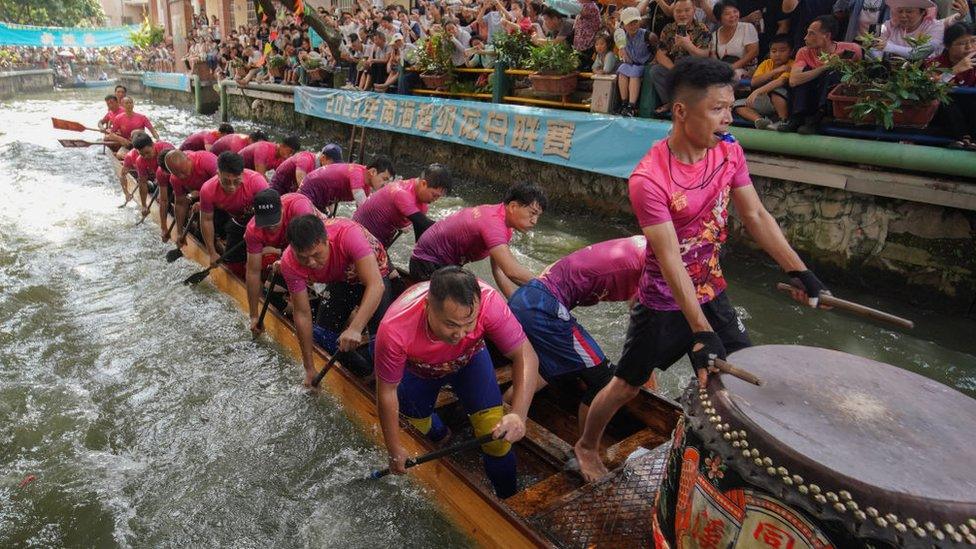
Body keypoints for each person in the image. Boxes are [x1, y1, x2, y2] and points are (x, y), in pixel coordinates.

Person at [573, 57, 830, 482]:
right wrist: (700, 331)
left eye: (730, 107)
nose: (728, 118)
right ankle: (585, 445)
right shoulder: (649, 179)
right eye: (717, 109)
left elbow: (757, 216)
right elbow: (670, 258)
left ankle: (729, 469)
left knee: (743, 375)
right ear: (681, 111)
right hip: (663, 302)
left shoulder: (728, 149)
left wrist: (801, 272)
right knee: (628, 384)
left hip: (711, 288)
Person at [374, 267, 538, 498]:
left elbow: (525, 354)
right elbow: (387, 392)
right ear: (427, 308)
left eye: (469, 323)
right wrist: (393, 449)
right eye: (450, 325)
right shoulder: (394, 329)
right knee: (415, 431)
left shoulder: (490, 301)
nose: (460, 334)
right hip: (420, 371)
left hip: (469, 363)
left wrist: (519, 414)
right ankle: (441, 433)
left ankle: (510, 498)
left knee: (499, 443)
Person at [507, 236, 645, 431]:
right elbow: (643, 321)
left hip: (528, 297)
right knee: (603, 378)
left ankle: (500, 412)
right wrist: (645, 371)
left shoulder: (642, 243)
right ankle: (584, 450)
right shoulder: (657, 263)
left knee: (548, 371)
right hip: (544, 307)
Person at [280, 214, 392, 384]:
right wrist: (309, 368)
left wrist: (355, 328)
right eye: (303, 258)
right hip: (341, 278)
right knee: (323, 336)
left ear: (327, 241)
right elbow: (302, 313)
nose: (310, 263)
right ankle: (366, 374)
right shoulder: (289, 262)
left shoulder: (348, 235)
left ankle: (385, 378)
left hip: (374, 272)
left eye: (316, 255)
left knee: (381, 343)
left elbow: (376, 285)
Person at [408, 183, 546, 294]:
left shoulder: (504, 225)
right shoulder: (494, 223)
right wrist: (548, 287)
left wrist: (513, 302)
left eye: (538, 216)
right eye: (532, 213)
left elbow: (499, 271)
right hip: (426, 264)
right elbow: (512, 270)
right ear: (513, 206)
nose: (534, 221)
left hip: (444, 265)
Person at [244, 189, 319, 336]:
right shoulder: (252, 230)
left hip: (315, 250)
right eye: (266, 222)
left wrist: (284, 259)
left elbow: (309, 247)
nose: (271, 227)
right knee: (268, 293)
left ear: (283, 208)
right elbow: (253, 271)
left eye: (274, 219)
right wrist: (253, 315)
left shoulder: (299, 207)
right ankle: (302, 312)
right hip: (289, 254)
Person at [779, 15, 862, 134]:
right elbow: (793, 80)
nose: (805, 38)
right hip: (811, 96)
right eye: (807, 33)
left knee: (833, 72)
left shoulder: (851, 49)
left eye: (811, 34)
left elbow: (860, 74)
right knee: (807, 72)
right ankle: (797, 117)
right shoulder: (804, 51)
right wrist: (823, 67)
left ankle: (819, 118)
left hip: (834, 99)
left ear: (827, 36)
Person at [198, 152, 270, 278]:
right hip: (236, 221)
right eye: (226, 181)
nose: (231, 187)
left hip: (258, 219)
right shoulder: (207, 189)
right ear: (218, 174)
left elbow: (270, 216)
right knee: (232, 261)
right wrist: (212, 252)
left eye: (236, 181)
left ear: (242, 174)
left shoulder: (257, 181)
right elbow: (206, 220)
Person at [352, 163, 452, 249]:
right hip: (356, 237)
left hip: (377, 244)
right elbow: (426, 224)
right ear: (423, 184)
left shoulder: (423, 206)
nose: (435, 200)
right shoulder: (401, 192)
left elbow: (421, 239)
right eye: (434, 195)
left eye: (439, 197)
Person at [650, 0, 713, 113]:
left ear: (694, 10)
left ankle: (689, 105)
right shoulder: (668, 29)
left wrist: (688, 45)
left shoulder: (702, 29)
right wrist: (675, 70)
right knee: (655, 71)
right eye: (678, 11)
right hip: (675, 67)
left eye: (687, 10)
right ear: (673, 13)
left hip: (695, 68)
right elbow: (660, 54)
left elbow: (705, 55)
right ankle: (672, 102)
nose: (683, 14)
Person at [159, 150, 219, 246]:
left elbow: (224, 185)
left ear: (188, 160)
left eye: (183, 171)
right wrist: (179, 232)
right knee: (201, 229)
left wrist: (203, 201)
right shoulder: (174, 179)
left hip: (222, 193)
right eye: (177, 174)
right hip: (201, 195)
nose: (182, 176)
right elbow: (180, 204)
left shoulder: (206, 161)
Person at [931, 22, 976, 149]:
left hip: (971, 115)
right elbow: (928, 90)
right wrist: (954, 70)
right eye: (962, 43)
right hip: (946, 120)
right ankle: (961, 138)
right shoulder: (935, 64)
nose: (969, 47)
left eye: (973, 41)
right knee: (946, 101)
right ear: (947, 46)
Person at [733, 33, 793, 128]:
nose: (777, 54)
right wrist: (776, 71)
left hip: (784, 100)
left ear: (791, 52)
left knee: (776, 91)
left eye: (782, 51)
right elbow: (754, 82)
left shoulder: (791, 64)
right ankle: (760, 120)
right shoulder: (766, 63)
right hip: (763, 99)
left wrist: (757, 91)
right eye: (774, 51)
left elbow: (780, 82)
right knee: (737, 105)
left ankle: (783, 121)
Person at [298, 156, 395, 214]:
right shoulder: (357, 173)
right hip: (308, 191)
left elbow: (361, 215)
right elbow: (365, 210)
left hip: (321, 200)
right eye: (384, 179)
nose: (385, 185)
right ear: (373, 171)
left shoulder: (366, 188)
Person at [873, 0, 963, 59]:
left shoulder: (935, 27)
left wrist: (889, 47)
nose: (903, 15)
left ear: (923, 12)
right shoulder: (889, 25)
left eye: (909, 11)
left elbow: (921, 53)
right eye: (900, 11)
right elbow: (874, 47)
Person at [614, 7, 656, 117]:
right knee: (622, 70)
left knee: (634, 74)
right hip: (631, 64)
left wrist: (654, 61)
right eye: (629, 23)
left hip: (644, 65)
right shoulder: (622, 37)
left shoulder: (648, 35)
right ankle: (624, 103)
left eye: (635, 22)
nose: (633, 26)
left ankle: (631, 106)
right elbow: (625, 57)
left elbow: (658, 51)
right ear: (623, 25)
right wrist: (622, 52)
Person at [710, 0, 760, 79]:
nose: (733, 15)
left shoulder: (747, 27)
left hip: (747, 71)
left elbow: (753, 52)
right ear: (719, 18)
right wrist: (720, 70)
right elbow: (713, 57)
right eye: (727, 14)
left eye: (735, 11)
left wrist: (731, 68)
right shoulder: (714, 35)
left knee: (734, 75)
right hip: (724, 70)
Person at [270, 143, 344, 194]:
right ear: (323, 158)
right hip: (276, 191)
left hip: (291, 193)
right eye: (333, 164)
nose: (334, 167)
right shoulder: (305, 159)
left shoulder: (323, 169)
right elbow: (303, 188)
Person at [131, 133, 175, 216]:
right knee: (160, 199)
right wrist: (144, 205)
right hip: (162, 180)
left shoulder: (166, 148)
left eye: (147, 152)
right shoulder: (140, 161)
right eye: (142, 154)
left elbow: (178, 168)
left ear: (153, 145)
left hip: (175, 175)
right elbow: (142, 183)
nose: (145, 156)